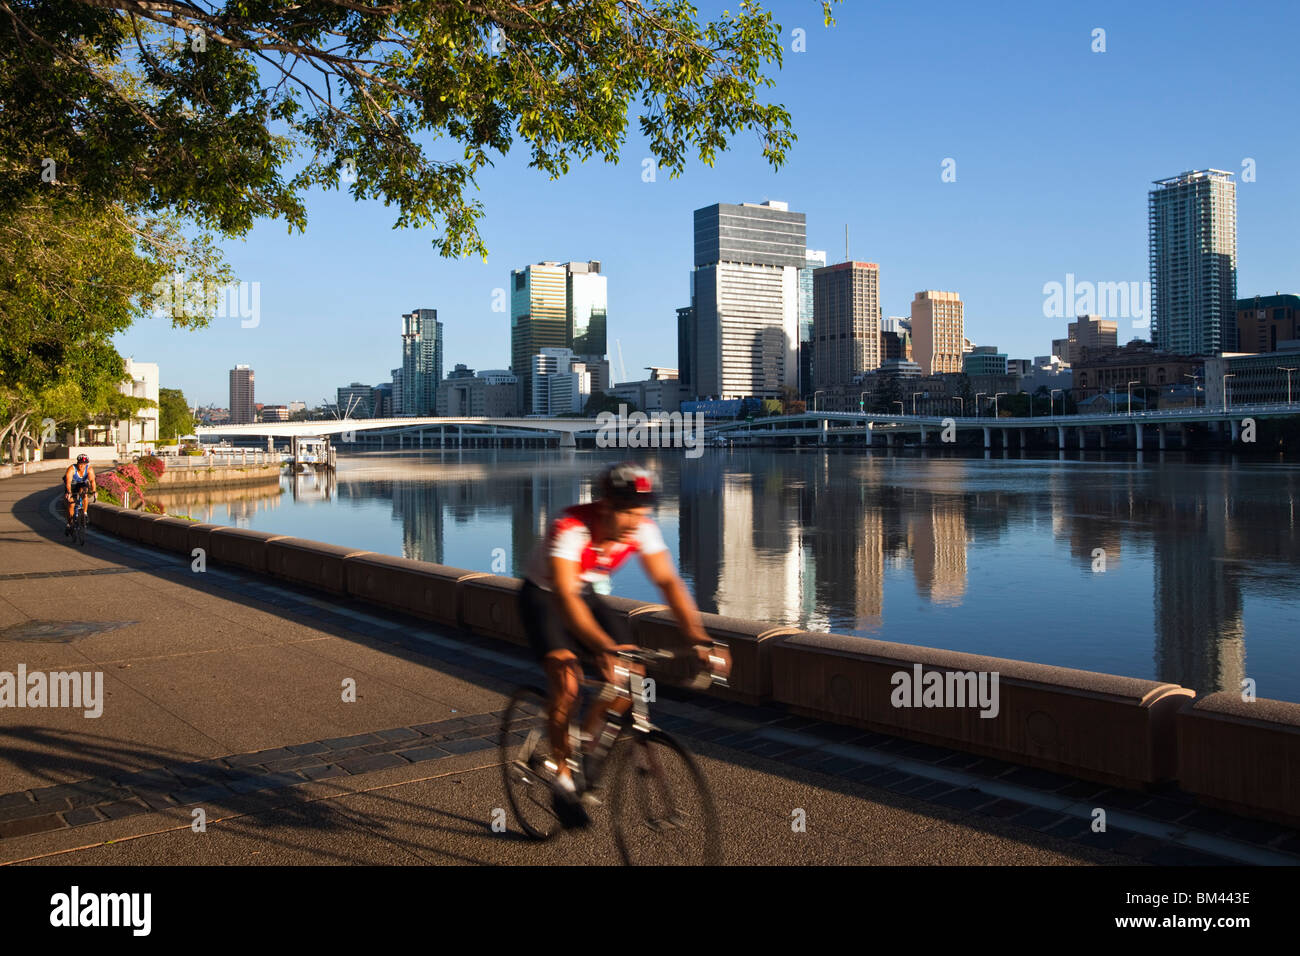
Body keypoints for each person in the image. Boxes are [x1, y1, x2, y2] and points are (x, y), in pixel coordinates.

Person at [518, 462, 730, 827]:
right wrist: (602, 646)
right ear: (605, 505)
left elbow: (668, 582)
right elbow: (566, 597)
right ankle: (563, 780)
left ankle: (583, 743)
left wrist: (699, 638)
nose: (634, 520)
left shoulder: (641, 529)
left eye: (641, 510)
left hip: (584, 593)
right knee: (567, 683)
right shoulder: (570, 528)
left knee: (630, 672)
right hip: (545, 596)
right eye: (626, 510)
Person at [63, 455, 96, 535]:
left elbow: (92, 481)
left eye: (84, 464)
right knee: (71, 504)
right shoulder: (71, 469)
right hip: (72, 485)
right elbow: (68, 483)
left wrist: (94, 491)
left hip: (82, 484)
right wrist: (69, 492)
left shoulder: (89, 469)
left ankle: (84, 513)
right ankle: (69, 523)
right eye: (80, 464)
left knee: (84, 494)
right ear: (77, 463)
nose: (82, 466)